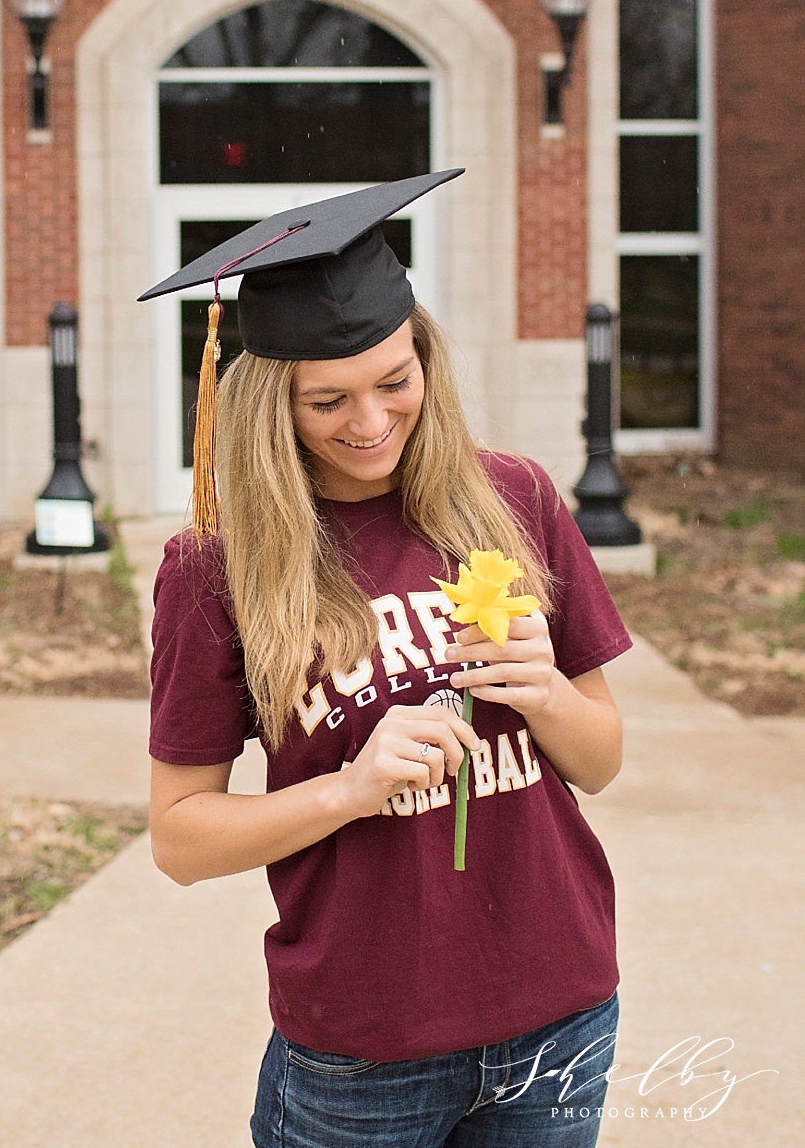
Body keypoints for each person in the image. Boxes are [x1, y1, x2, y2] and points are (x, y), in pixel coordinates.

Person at [139, 173, 631, 1146]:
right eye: (326, 400)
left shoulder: (512, 496)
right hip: (367, 1044)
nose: (367, 421)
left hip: (558, 1012)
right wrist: (349, 790)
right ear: (266, 402)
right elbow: (180, 838)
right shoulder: (215, 569)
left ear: (425, 363)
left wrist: (540, 694)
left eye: (392, 382)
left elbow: (600, 761)